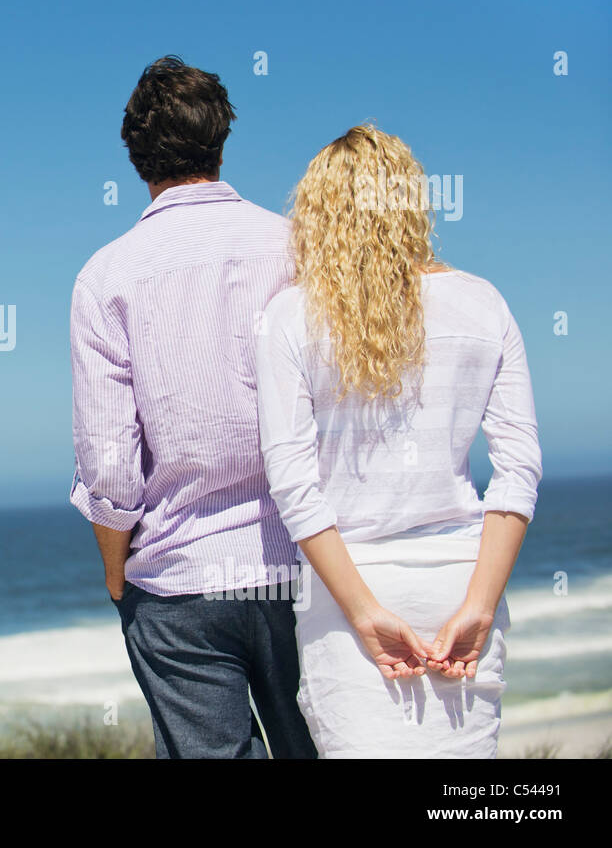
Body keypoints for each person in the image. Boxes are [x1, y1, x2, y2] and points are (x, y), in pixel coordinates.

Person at [254, 124, 541, 758]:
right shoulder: (483, 303)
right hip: (464, 582)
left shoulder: (289, 317)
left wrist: (362, 612)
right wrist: (482, 604)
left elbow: (294, 486)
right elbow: (518, 470)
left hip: (348, 588)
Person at [69, 56, 316, 758]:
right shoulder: (297, 246)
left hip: (180, 584)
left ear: (135, 153)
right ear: (220, 138)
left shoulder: (105, 276)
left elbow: (110, 465)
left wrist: (117, 575)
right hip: (305, 564)